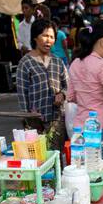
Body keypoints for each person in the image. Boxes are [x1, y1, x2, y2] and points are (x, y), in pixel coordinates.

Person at [16, 17, 68, 146]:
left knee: (57, 155)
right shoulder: (25, 63)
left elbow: (69, 86)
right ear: (35, 37)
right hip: (35, 123)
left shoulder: (58, 62)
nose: (48, 40)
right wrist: (27, 118)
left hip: (57, 120)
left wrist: (62, 94)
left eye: (51, 37)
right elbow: (22, 94)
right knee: (39, 159)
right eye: (44, 36)